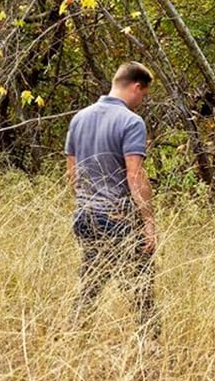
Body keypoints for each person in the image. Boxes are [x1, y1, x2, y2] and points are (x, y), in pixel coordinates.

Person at [65, 61, 157, 338]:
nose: (142, 101)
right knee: (141, 290)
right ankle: (149, 347)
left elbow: (72, 174)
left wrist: (86, 203)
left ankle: (73, 337)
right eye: (144, 95)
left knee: (90, 285)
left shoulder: (79, 118)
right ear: (136, 87)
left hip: (85, 216)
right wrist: (148, 221)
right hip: (117, 218)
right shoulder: (131, 122)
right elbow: (135, 174)